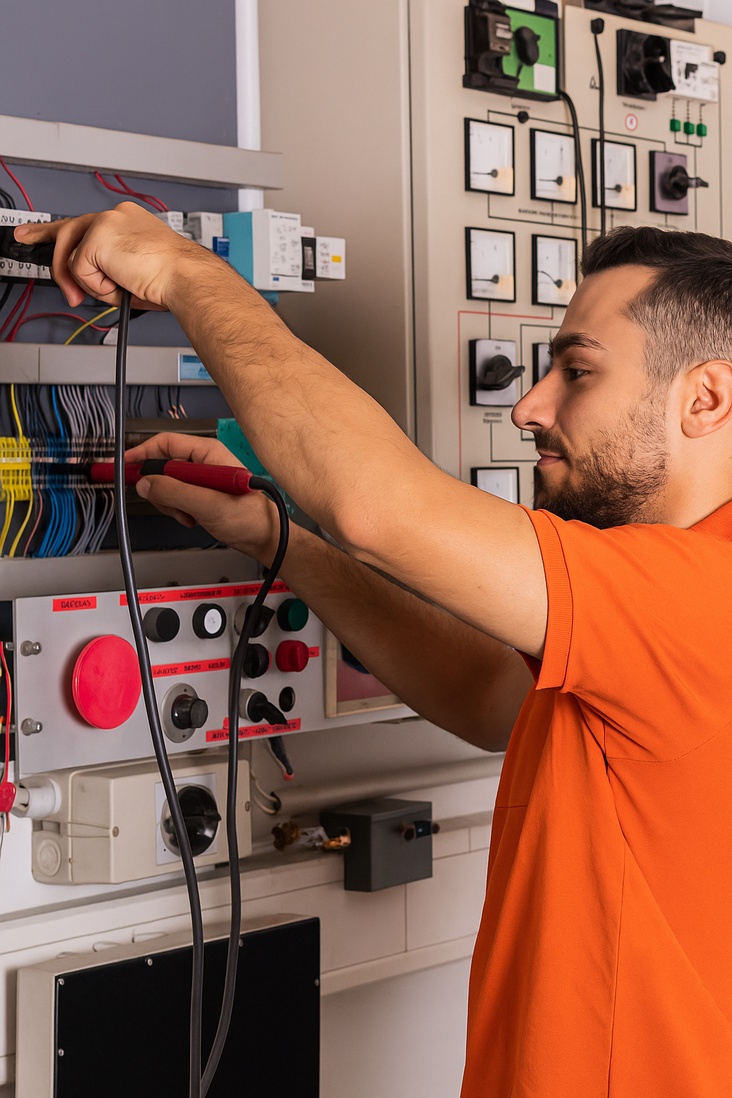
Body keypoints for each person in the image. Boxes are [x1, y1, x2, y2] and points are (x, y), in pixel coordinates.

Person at [18, 206, 732, 1096]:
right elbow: (486, 695)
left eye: (577, 371)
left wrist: (184, 271)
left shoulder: (702, 595)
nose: (530, 407)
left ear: (705, 398)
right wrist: (279, 538)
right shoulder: (661, 611)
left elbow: (375, 510)